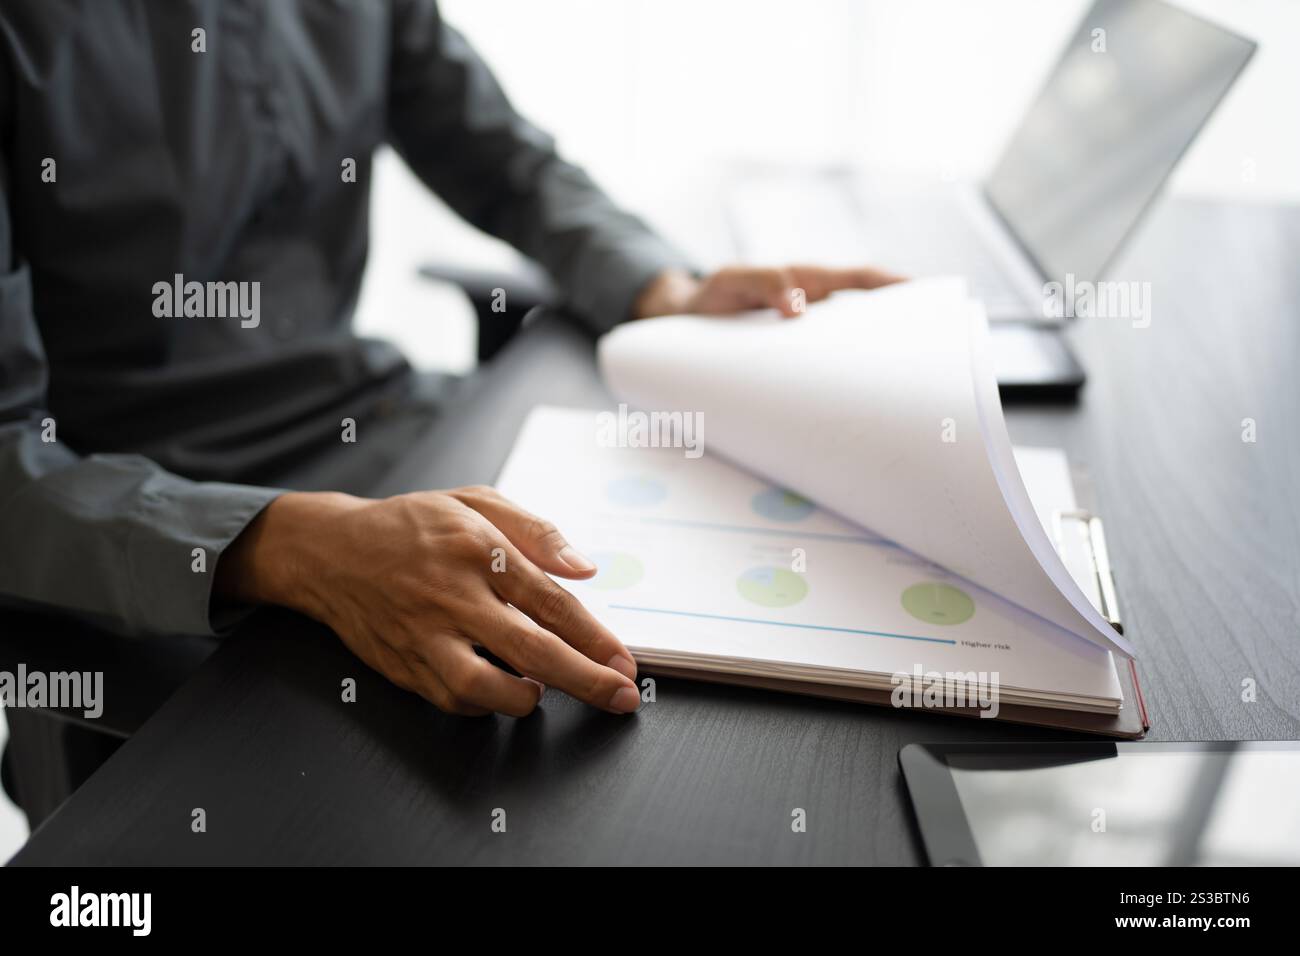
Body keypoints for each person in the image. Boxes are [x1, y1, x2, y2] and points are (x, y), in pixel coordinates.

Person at [0, 0, 898, 723]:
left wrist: (662, 286)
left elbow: (506, 163)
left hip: (376, 420)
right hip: (142, 536)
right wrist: (289, 546)